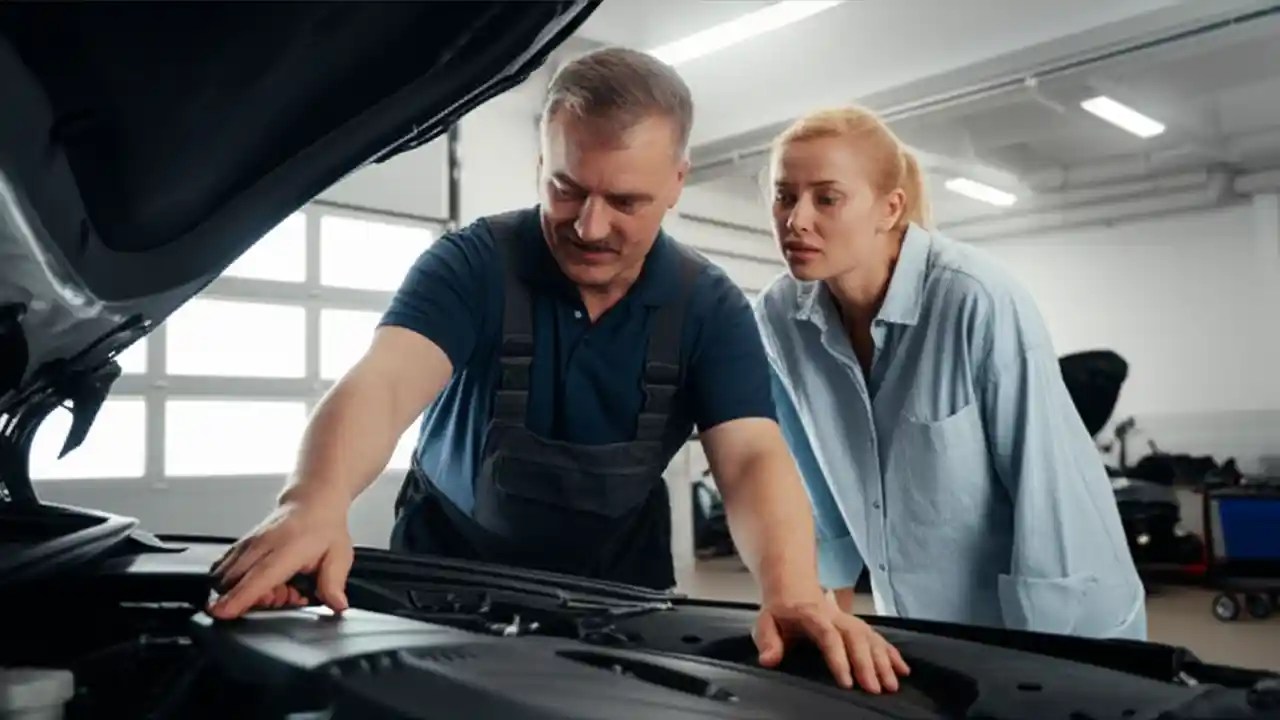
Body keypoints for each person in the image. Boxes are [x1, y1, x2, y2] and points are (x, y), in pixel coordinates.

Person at [207, 49, 911, 693]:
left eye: (626, 202)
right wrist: (314, 499)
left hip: (621, 598)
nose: (591, 227)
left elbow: (753, 454)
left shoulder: (711, 307)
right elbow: (386, 380)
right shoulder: (473, 265)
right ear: (540, 165)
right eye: (567, 188)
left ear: (676, 183)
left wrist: (790, 588)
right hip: (446, 585)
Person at [753, 106, 1147, 640]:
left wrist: (1050, 652)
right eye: (784, 195)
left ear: (890, 209)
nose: (796, 218)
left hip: (1058, 622)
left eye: (826, 197)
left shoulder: (972, 298)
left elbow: (1045, 482)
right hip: (918, 621)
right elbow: (808, 466)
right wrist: (831, 602)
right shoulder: (781, 313)